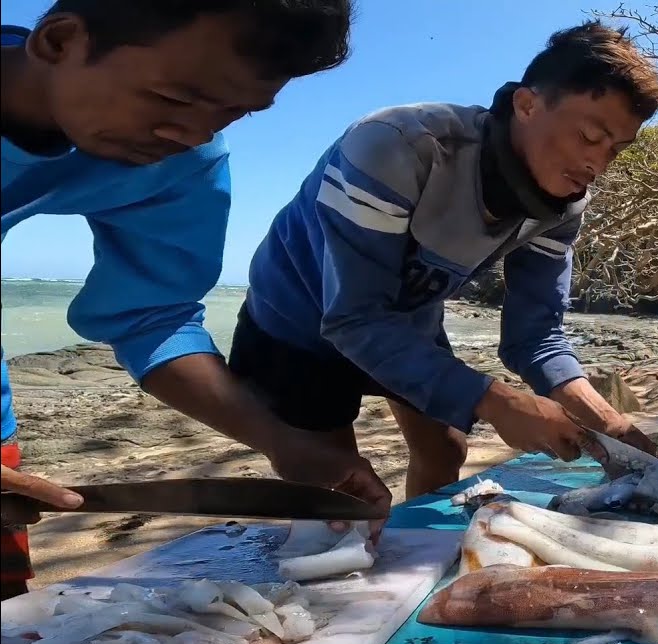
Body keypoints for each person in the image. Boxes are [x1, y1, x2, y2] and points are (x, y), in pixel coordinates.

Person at [1, 1, 393, 602]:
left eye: (233, 112)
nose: (189, 134)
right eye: (174, 98)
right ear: (58, 42)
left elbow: (152, 316)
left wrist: (280, 440)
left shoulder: (178, 162)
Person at [227, 21, 658, 500]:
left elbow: (535, 336)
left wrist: (607, 421)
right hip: (294, 327)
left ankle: (428, 553)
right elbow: (355, 320)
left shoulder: (563, 205)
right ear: (527, 104)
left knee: (445, 447)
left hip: (403, 319)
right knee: (338, 484)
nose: (597, 164)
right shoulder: (394, 147)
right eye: (588, 135)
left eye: (616, 150)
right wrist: (497, 402)